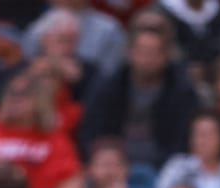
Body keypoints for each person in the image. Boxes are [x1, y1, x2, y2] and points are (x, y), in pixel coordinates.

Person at [77, 24, 199, 166]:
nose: (147, 59)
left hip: (165, 167)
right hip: (114, 164)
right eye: (142, 51)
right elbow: (90, 132)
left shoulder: (182, 92)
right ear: (129, 53)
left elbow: (184, 142)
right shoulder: (108, 86)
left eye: (153, 52)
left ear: (166, 56)